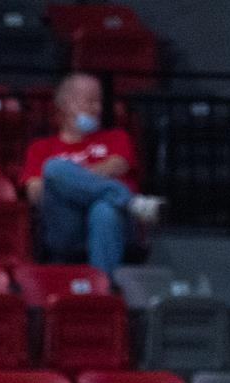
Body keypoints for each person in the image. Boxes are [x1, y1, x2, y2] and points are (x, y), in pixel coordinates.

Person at [20, 72, 163, 276]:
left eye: (100, 102)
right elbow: (36, 193)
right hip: (66, 223)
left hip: (114, 223)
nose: (98, 109)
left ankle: (102, 290)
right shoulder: (41, 147)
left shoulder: (116, 137)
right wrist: (69, 179)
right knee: (53, 167)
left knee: (103, 209)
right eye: (90, 101)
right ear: (66, 104)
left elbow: (118, 165)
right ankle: (130, 202)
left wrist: (71, 181)